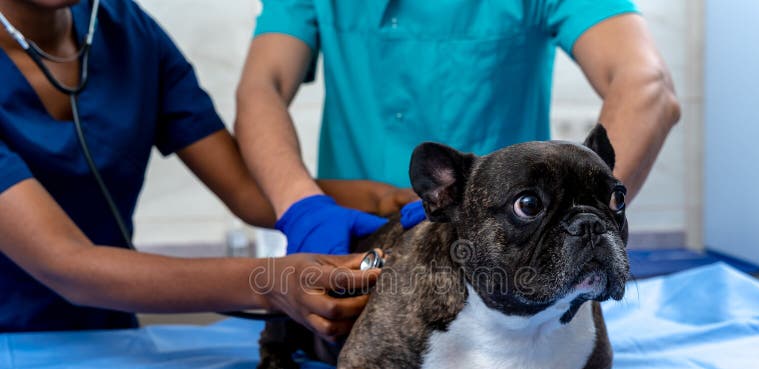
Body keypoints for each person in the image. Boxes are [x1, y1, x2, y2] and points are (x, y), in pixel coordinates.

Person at [0, 0, 383, 337]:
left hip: (111, 342)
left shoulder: (128, 32)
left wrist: (395, 202)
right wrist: (270, 283)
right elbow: (66, 264)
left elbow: (248, 192)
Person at [236, 0, 681, 256]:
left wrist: (568, 237)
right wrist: (303, 208)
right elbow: (262, 87)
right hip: (357, 245)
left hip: (507, 260)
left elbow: (648, 87)